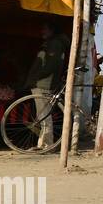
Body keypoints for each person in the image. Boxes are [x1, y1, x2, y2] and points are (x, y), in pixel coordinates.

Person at [24, 22, 70, 150]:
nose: (42, 31)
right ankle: (45, 143)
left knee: (44, 115)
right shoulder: (54, 43)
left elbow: (52, 65)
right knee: (43, 114)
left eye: (45, 29)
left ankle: (47, 144)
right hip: (44, 82)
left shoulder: (54, 44)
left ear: (52, 30)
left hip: (43, 83)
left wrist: (37, 76)